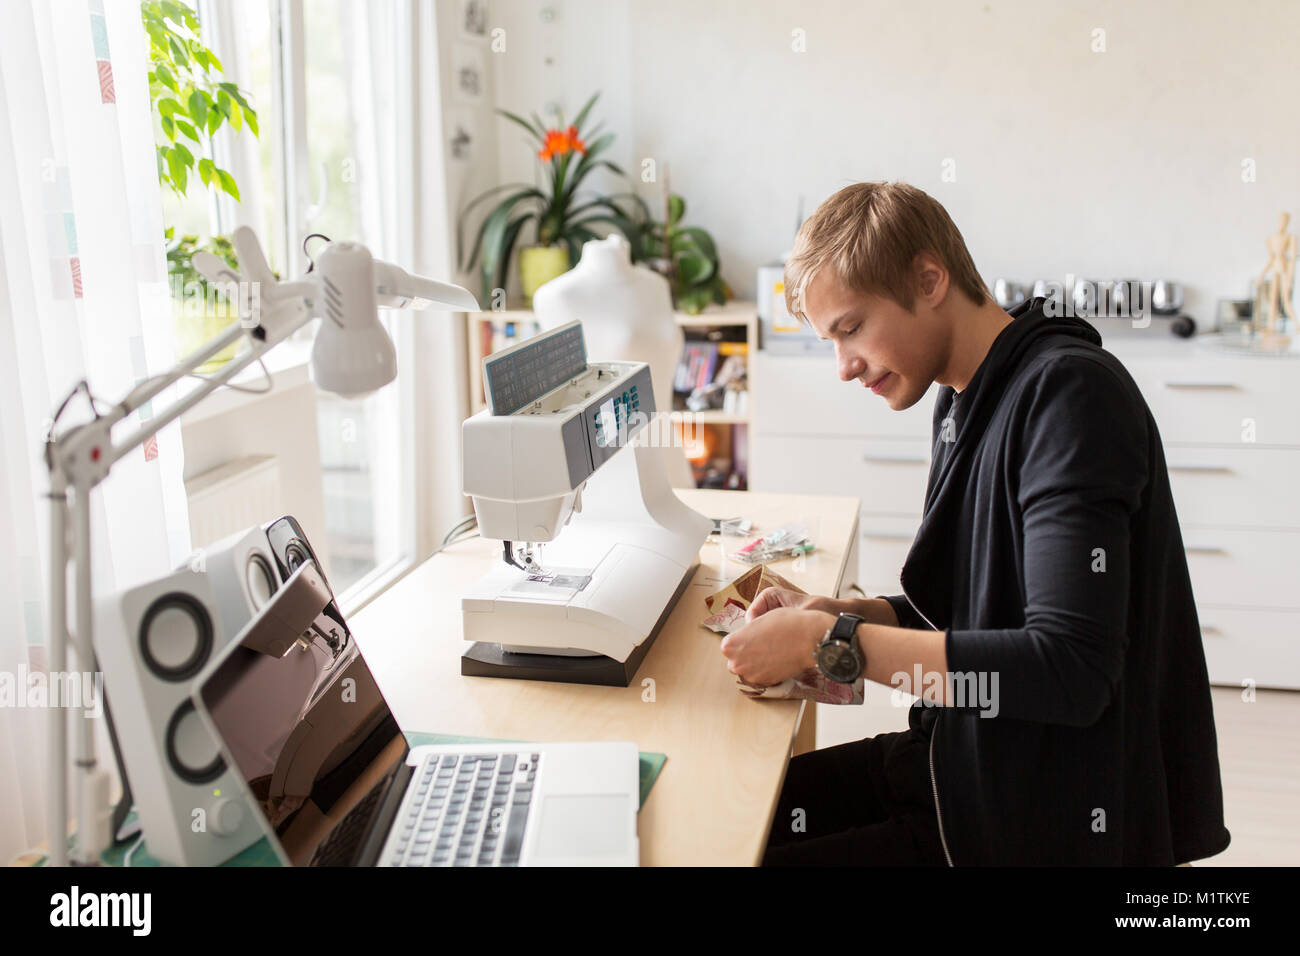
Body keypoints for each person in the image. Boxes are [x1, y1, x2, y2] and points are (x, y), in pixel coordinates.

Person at [720, 181, 1230, 866]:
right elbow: (981, 614)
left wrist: (833, 642)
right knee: (726, 820)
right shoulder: (964, 398)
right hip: (954, 765)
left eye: (850, 329)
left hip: (1029, 820)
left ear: (929, 279)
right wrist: (848, 612)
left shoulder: (1068, 398)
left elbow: (1069, 672)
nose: (843, 367)